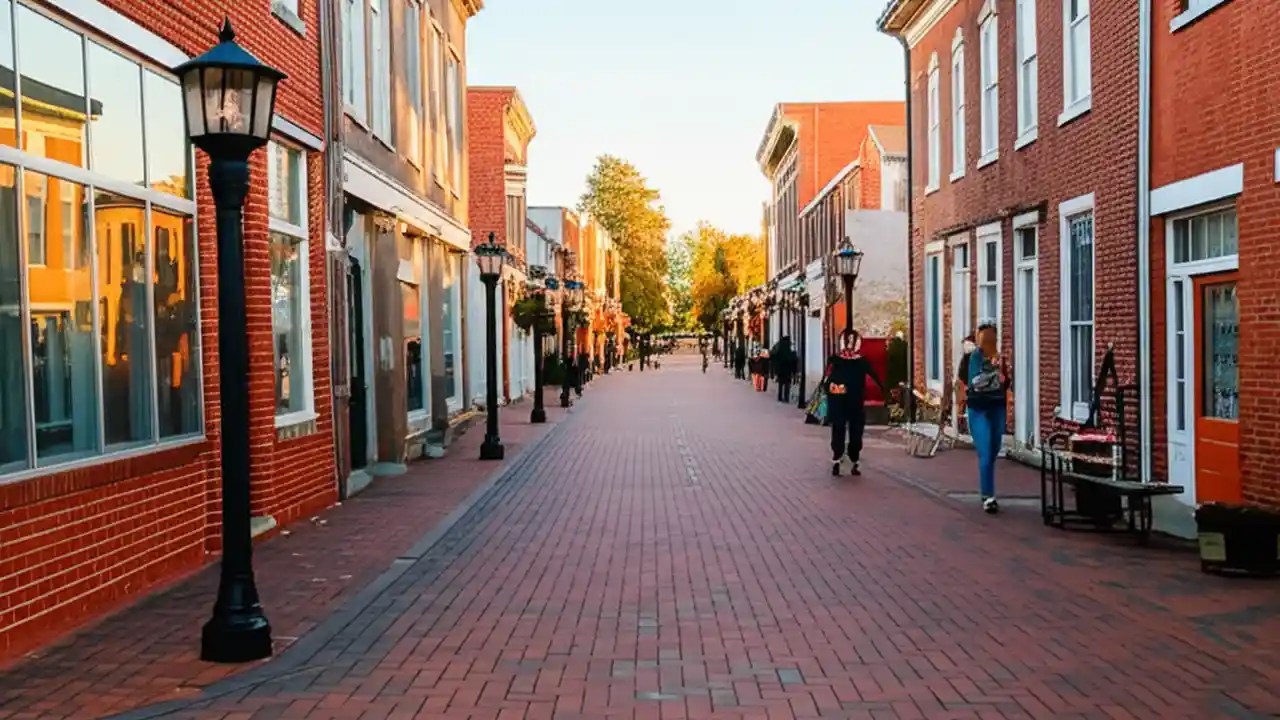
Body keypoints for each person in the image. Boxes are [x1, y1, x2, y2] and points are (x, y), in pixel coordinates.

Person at [823, 329, 886, 477]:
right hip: (850, 402)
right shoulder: (853, 361)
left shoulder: (840, 360)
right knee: (849, 431)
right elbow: (876, 377)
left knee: (845, 431)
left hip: (844, 402)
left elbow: (826, 380)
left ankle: (844, 459)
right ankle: (846, 460)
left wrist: (830, 389)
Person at [965, 322, 1010, 514]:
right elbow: (975, 382)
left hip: (997, 406)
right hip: (978, 408)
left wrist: (1004, 378)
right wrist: (993, 375)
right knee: (984, 450)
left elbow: (1006, 382)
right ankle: (988, 496)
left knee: (994, 449)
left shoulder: (999, 358)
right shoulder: (975, 357)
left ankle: (988, 486)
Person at [954, 333, 977, 433]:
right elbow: (964, 372)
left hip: (964, 383)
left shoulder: (968, 357)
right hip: (964, 383)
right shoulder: (969, 357)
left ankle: (962, 426)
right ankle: (962, 425)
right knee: (963, 405)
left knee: (963, 406)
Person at [771, 336, 797, 403]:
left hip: (780, 368)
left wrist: (775, 368)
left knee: (781, 383)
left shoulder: (779, 347)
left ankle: (780, 396)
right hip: (787, 368)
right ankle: (786, 397)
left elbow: (774, 356)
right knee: (787, 383)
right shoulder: (788, 348)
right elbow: (792, 358)